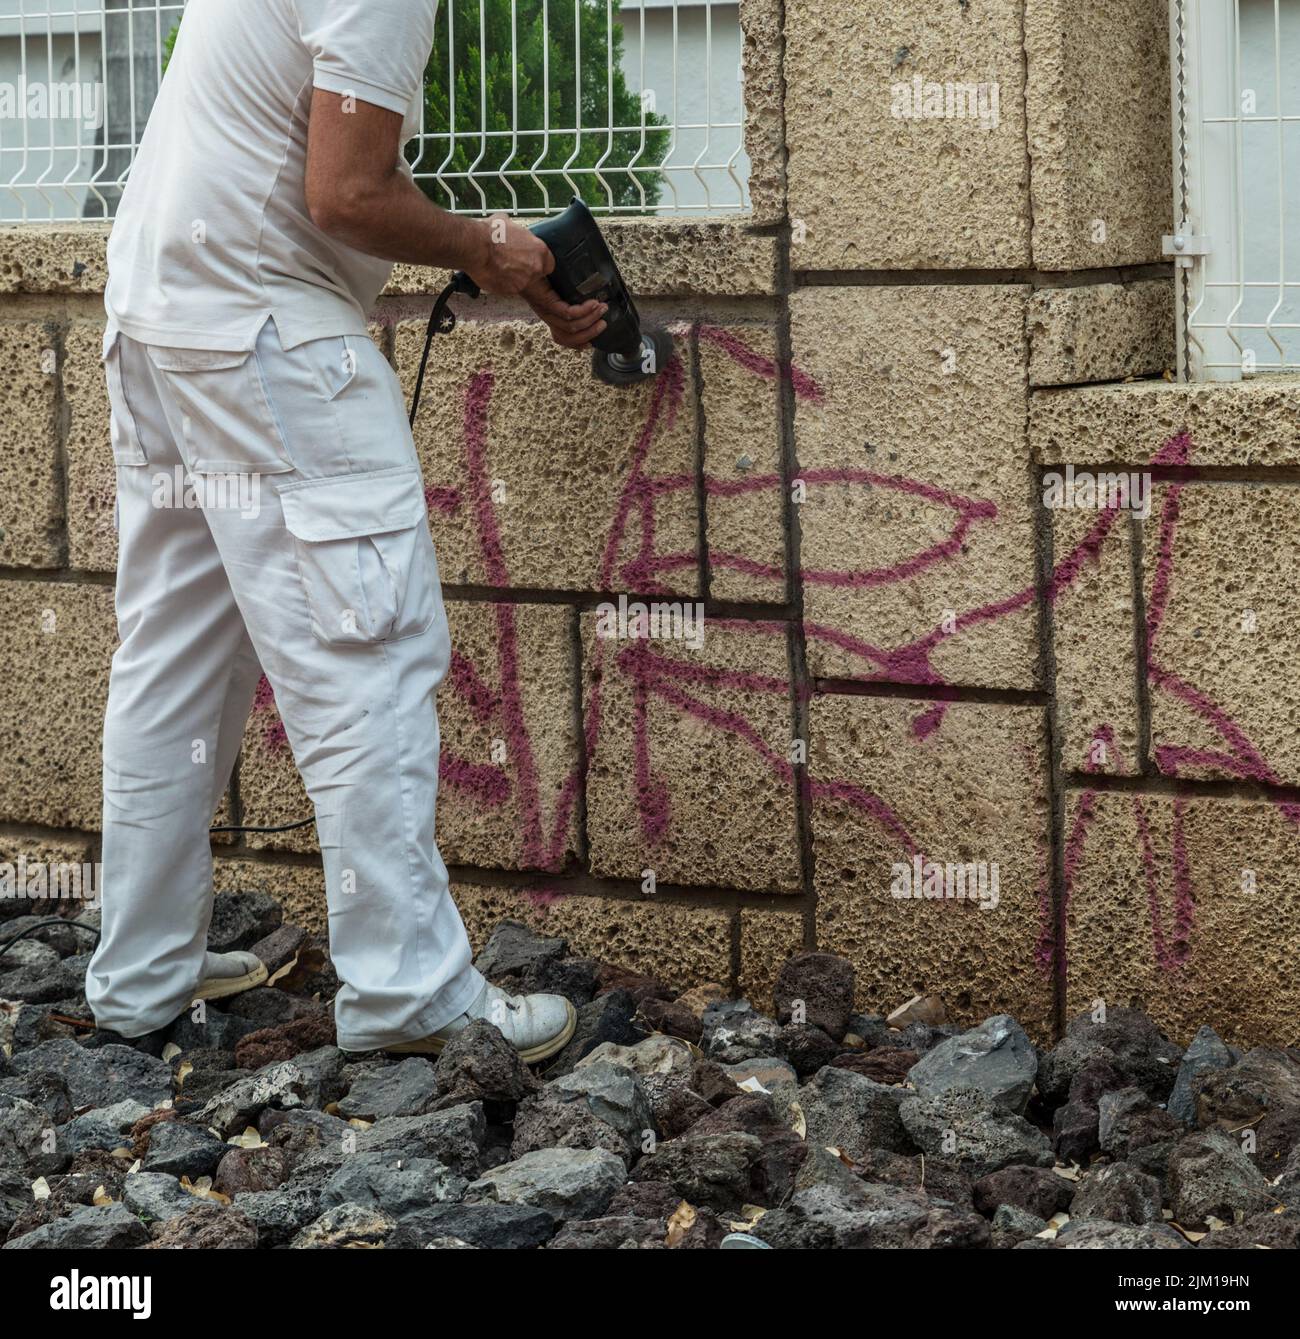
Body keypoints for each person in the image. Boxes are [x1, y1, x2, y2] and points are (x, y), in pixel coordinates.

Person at [86, 0, 603, 1063]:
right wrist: (484, 244)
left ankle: (142, 974)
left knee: (174, 653)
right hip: (259, 332)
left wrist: (491, 256)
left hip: (161, 312)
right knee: (368, 653)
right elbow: (349, 194)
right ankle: (408, 986)